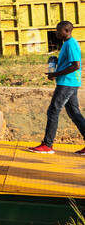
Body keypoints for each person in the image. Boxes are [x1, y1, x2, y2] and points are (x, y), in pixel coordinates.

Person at [31, 20, 85, 154]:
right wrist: (55, 73)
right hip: (68, 82)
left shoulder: (71, 44)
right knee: (74, 113)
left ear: (66, 31)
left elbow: (75, 65)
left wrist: (56, 73)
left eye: (58, 30)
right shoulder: (66, 44)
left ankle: (47, 145)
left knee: (53, 111)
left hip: (67, 83)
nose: (56, 32)